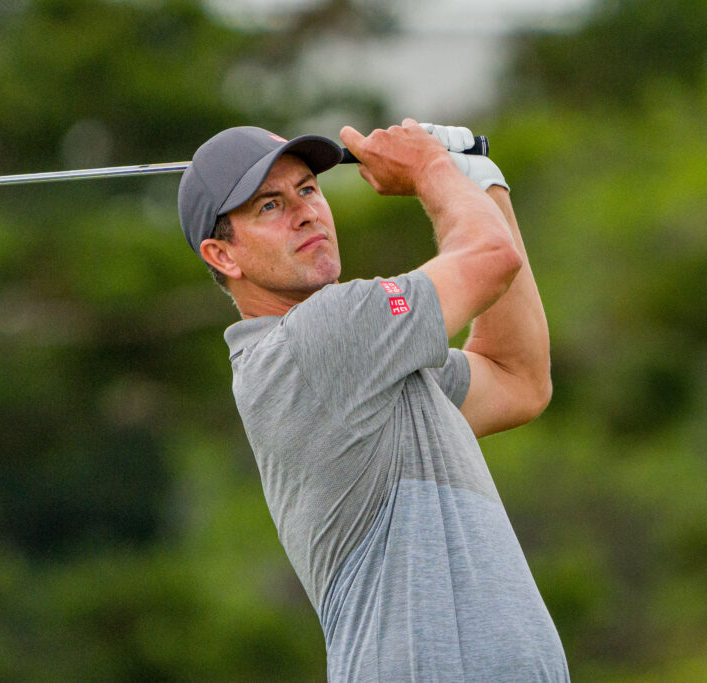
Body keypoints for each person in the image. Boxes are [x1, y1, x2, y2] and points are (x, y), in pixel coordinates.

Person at [177, 120, 568, 681]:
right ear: (223, 256)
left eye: (308, 189)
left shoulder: (364, 362)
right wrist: (432, 168)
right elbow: (489, 258)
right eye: (269, 206)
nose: (305, 212)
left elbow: (517, 378)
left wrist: (481, 183)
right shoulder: (319, 339)